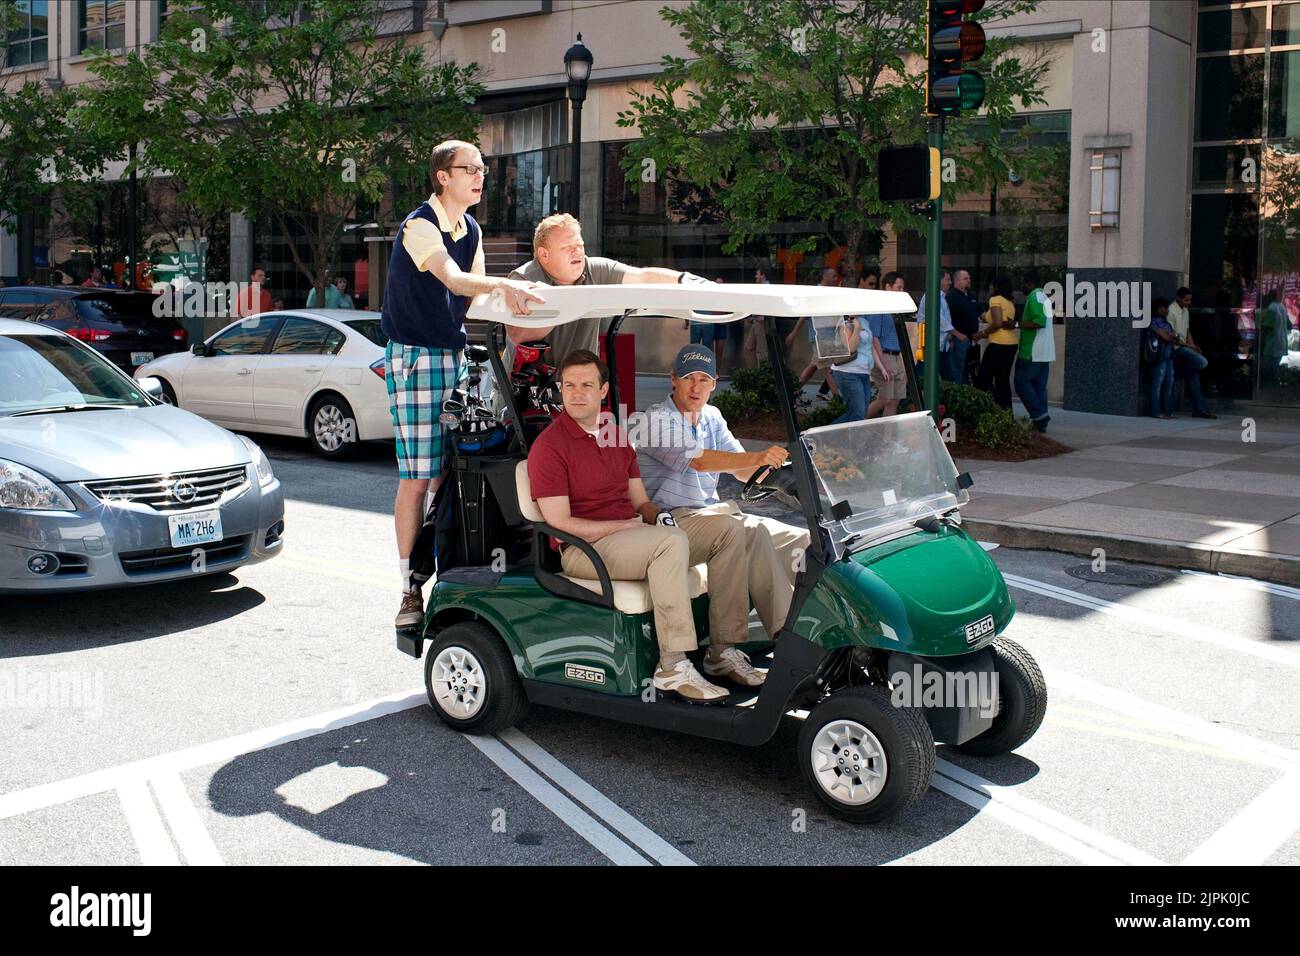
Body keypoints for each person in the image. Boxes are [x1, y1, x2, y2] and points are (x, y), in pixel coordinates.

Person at [385, 139, 546, 629]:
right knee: (418, 477)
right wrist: (506, 285)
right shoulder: (419, 225)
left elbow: (475, 301)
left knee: (450, 472)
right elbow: (455, 280)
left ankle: (447, 573)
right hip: (414, 358)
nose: (480, 177)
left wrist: (532, 307)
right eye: (470, 169)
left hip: (454, 356)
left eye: (482, 170)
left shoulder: (470, 228)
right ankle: (409, 588)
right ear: (443, 176)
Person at [529, 349, 730, 703]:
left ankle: (724, 649)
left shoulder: (615, 435)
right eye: (569, 385)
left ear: (603, 390)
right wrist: (625, 527)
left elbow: (640, 502)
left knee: (726, 531)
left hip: (628, 538)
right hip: (584, 549)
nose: (577, 394)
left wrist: (656, 516)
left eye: (586, 385)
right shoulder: (550, 447)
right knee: (669, 543)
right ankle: (673, 666)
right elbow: (560, 523)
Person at [637, 345, 811, 672]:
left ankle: (806, 633)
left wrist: (788, 474)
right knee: (746, 530)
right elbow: (700, 460)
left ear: (714, 384)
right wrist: (758, 457)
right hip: (669, 523)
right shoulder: (655, 420)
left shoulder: (712, 417)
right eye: (688, 378)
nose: (696, 387)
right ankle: (746, 646)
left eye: (704, 379)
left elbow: (742, 469)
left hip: (712, 516)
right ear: (673, 379)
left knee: (804, 540)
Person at [503, 213, 703, 366]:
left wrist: (686, 280)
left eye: (580, 245)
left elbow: (643, 277)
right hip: (523, 396)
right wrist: (560, 303)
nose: (577, 252)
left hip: (581, 388)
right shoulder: (522, 279)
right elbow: (517, 335)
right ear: (544, 255)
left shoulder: (595, 270)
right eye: (567, 247)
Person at [788, 268, 842, 399]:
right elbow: (804, 315)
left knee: (815, 364)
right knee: (826, 367)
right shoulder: (814, 293)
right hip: (820, 336)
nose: (836, 279)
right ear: (825, 276)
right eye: (833, 276)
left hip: (831, 335)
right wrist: (794, 333)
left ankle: (794, 391)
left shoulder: (833, 293)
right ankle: (837, 398)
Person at [1013, 270, 1056, 432]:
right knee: (1039, 387)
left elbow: (1039, 322)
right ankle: (1041, 424)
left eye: (1023, 283)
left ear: (1029, 283)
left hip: (1033, 351)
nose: (1022, 287)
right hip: (1044, 352)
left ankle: (1040, 416)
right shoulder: (1043, 297)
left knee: (1021, 383)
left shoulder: (1035, 297)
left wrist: (1016, 324)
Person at [1167, 287, 1215, 418]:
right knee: (1202, 362)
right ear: (1178, 298)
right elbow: (1172, 337)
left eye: (1190, 300)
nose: (1189, 302)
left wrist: (1193, 345)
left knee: (1193, 375)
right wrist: (1189, 346)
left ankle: (1200, 409)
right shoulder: (1171, 311)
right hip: (1176, 349)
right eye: (1186, 300)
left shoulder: (1185, 311)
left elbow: (1187, 330)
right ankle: (1178, 374)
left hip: (1185, 347)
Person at [832, 313, 887, 424]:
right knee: (858, 413)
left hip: (864, 371)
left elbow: (870, 346)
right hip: (847, 372)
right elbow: (851, 348)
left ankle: (831, 432)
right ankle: (829, 432)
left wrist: (882, 368)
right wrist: (857, 329)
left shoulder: (864, 321)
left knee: (861, 412)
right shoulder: (844, 323)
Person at [974, 274, 1017, 410]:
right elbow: (997, 321)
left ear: (996, 287)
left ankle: (992, 407)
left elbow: (998, 323)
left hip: (999, 344)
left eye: (991, 286)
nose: (989, 288)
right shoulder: (1009, 302)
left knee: (983, 377)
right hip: (1011, 344)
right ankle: (1006, 412)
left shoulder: (995, 300)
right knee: (1002, 380)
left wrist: (982, 334)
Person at [865, 272, 905, 418]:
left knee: (894, 401)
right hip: (884, 355)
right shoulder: (879, 307)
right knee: (886, 398)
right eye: (898, 287)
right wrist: (883, 363)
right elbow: (874, 337)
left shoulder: (896, 308)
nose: (902, 291)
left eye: (903, 288)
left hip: (898, 356)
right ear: (888, 287)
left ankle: (887, 433)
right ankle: (855, 422)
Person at [916, 271, 955, 381]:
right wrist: (955, 333)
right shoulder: (931, 295)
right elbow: (939, 319)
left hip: (942, 345)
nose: (950, 283)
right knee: (923, 376)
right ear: (939, 280)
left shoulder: (942, 297)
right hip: (929, 344)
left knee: (947, 377)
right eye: (948, 279)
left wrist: (950, 338)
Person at [945, 268, 979, 384]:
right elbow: (945, 320)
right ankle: (958, 391)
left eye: (969, 278)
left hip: (972, 340)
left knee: (969, 370)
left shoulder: (971, 296)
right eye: (965, 278)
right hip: (958, 340)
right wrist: (956, 335)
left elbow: (982, 314)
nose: (969, 280)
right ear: (957, 281)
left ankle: (966, 391)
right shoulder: (950, 297)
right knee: (958, 369)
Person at [1147, 298, 1177, 419]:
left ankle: (1167, 411)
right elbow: (1167, 337)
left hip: (1169, 356)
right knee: (1157, 384)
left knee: (1169, 383)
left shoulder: (1166, 323)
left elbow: (1174, 337)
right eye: (1165, 308)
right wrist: (1171, 335)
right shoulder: (1154, 321)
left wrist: (1171, 335)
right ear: (1159, 309)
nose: (1167, 310)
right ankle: (1156, 411)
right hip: (1159, 356)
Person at [742, 267, 772, 368]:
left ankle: (762, 373)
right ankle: (753, 371)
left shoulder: (767, 288)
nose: (755, 277)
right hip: (756, 320)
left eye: (757, 274)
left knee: (761, 350)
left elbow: (765, 305)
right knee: (749, 348)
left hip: (762, 321)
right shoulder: (760, 288)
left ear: (763, 275)